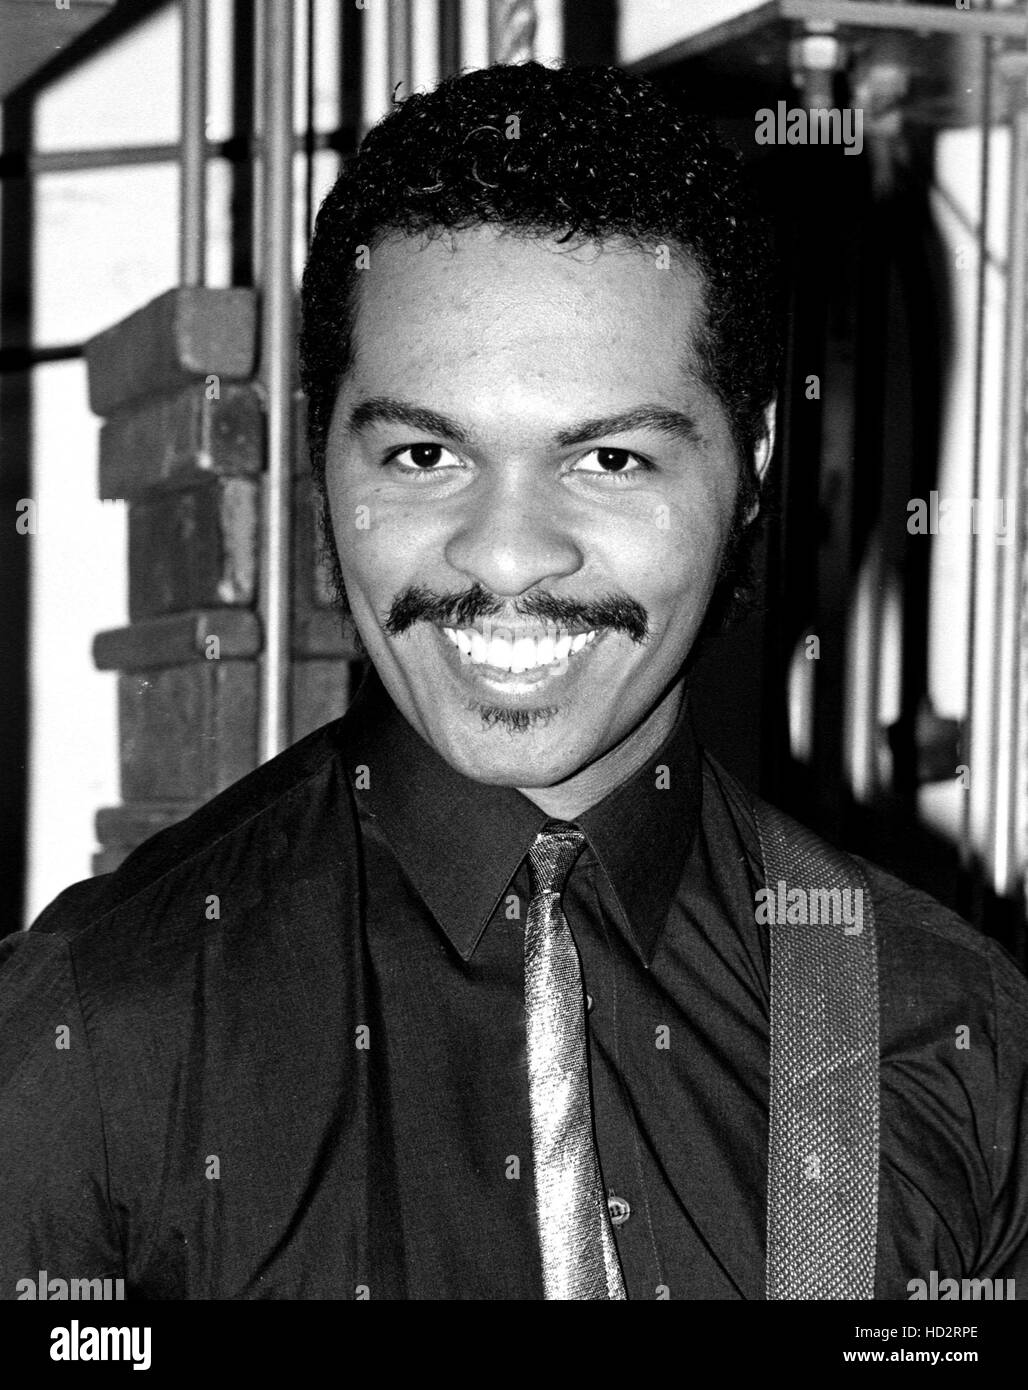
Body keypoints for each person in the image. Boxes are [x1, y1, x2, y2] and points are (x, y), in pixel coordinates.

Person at [2, 61, 1026, 1302]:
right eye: (425, 452)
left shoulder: (947, 1027)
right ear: (323, 452)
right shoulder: (92, 1031)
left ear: (749, 458)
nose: (502, 554)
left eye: (606, 456)